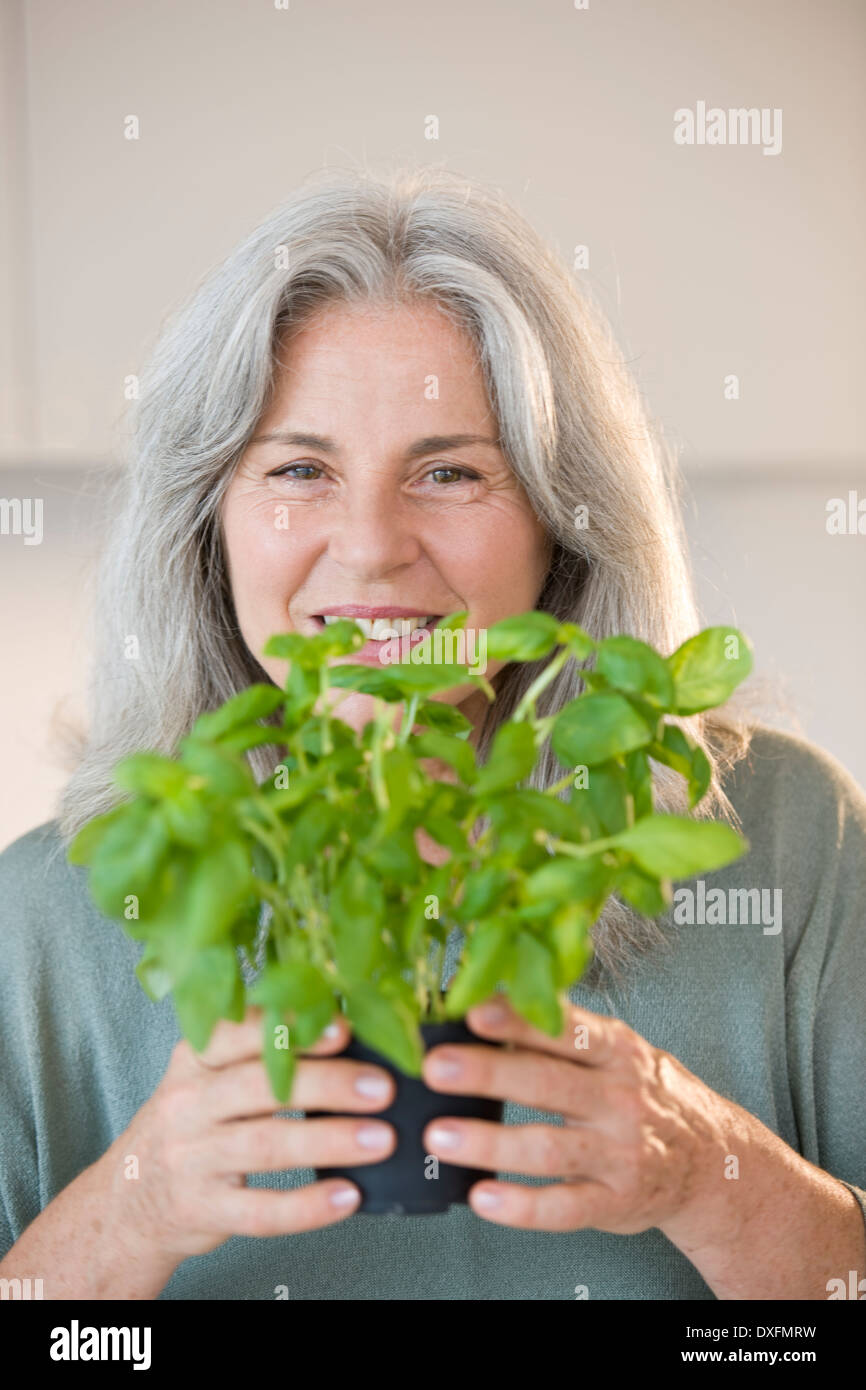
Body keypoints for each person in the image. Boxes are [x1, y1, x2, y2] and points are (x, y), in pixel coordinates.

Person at [1, 166, 864, 1301]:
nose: (369, 545)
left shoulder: (793, 843)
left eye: (448, 471)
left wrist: (710, 1177)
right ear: (205, 518)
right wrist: (132, 1206)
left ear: (565, 521)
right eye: (300, 468)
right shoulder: (53, 914)